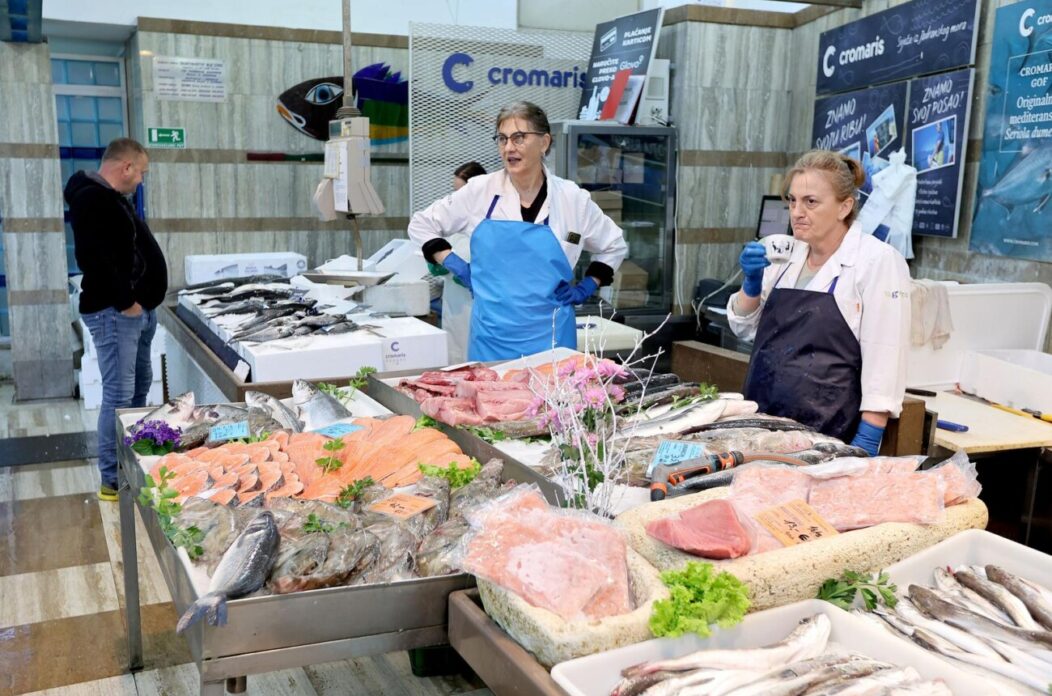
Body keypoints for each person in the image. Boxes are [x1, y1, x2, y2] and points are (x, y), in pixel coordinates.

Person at [408, 101, 627, 361]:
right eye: (502, 139)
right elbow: (421, 223)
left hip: (553, 335)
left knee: (552, 400)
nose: (508, 147)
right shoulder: (480, 191)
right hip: (492, 336)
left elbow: (613, 245)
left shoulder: (572, 199)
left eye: (519, 138)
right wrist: (454, 263)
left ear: (544, 143)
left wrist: (588, 285)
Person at [727, 150, 910, 456]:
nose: (797, 211)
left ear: (845, 207)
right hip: (762, 426)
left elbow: (886, 355)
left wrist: (868, 438)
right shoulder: (786, 256)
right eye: (793, 200)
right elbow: (744, 328)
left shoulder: (876, 261)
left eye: (811, 202)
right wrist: (751, 285)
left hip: (829, 432)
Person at [64, 138, 168, 501]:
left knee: (139, 384)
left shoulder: (107, 198)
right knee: (120, 395)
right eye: (141, 172)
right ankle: (113, 478)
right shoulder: (92, 199)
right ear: (125, 167)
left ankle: (132, 459)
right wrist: (126, 302)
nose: (141, 180)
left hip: (133, 312)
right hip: (115, 312)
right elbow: (93, 258)